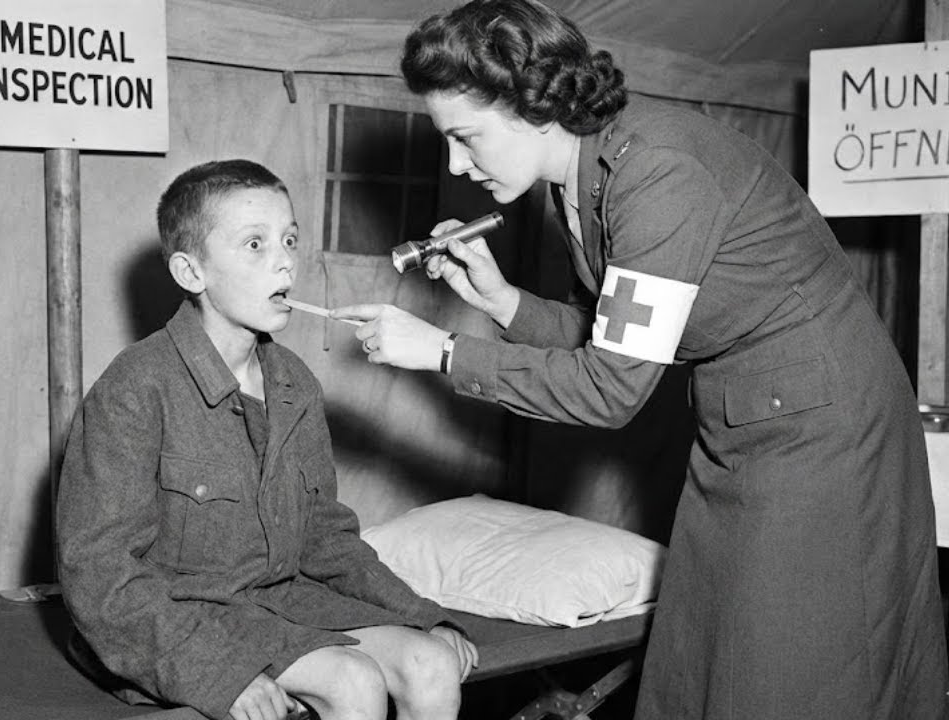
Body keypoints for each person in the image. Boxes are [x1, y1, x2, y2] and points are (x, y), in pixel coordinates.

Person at [331, 1, 949, 718]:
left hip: (824, 430)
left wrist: (442, 352)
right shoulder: (579, 181)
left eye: (465, 138)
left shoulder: (656, 172)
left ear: (534, 107)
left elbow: (610, 390)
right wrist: (503, 302)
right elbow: (615, 338)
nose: (455, 165)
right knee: (701, 653)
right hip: (743, 419)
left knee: (782, 664)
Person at [56, 159, 477, 720]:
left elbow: (325, 538)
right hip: (178, 623)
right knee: (352, 683)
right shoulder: (134, 389)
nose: (284, 261)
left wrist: (422, 617)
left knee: (433, 666)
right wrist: (216, 672)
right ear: (191, 272)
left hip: (276, 607)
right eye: (255, 244)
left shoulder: (293, 384)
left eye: (289, 240)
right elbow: (100, 574)